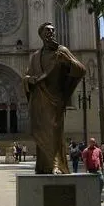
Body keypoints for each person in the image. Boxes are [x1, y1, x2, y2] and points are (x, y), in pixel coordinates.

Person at [23, 22, 86, 174]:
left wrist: (68, 61)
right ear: (41, 34)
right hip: (39, 98)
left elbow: (81, 69)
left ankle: (56, 164)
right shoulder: (35, 56)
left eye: (52, 31)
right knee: (41, 132)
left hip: (55, 98)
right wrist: (28, 80)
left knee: (54, 130)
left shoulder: (62, 51)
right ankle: (44, 166)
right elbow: (28, 74)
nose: (51, 33)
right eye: (47, 31)